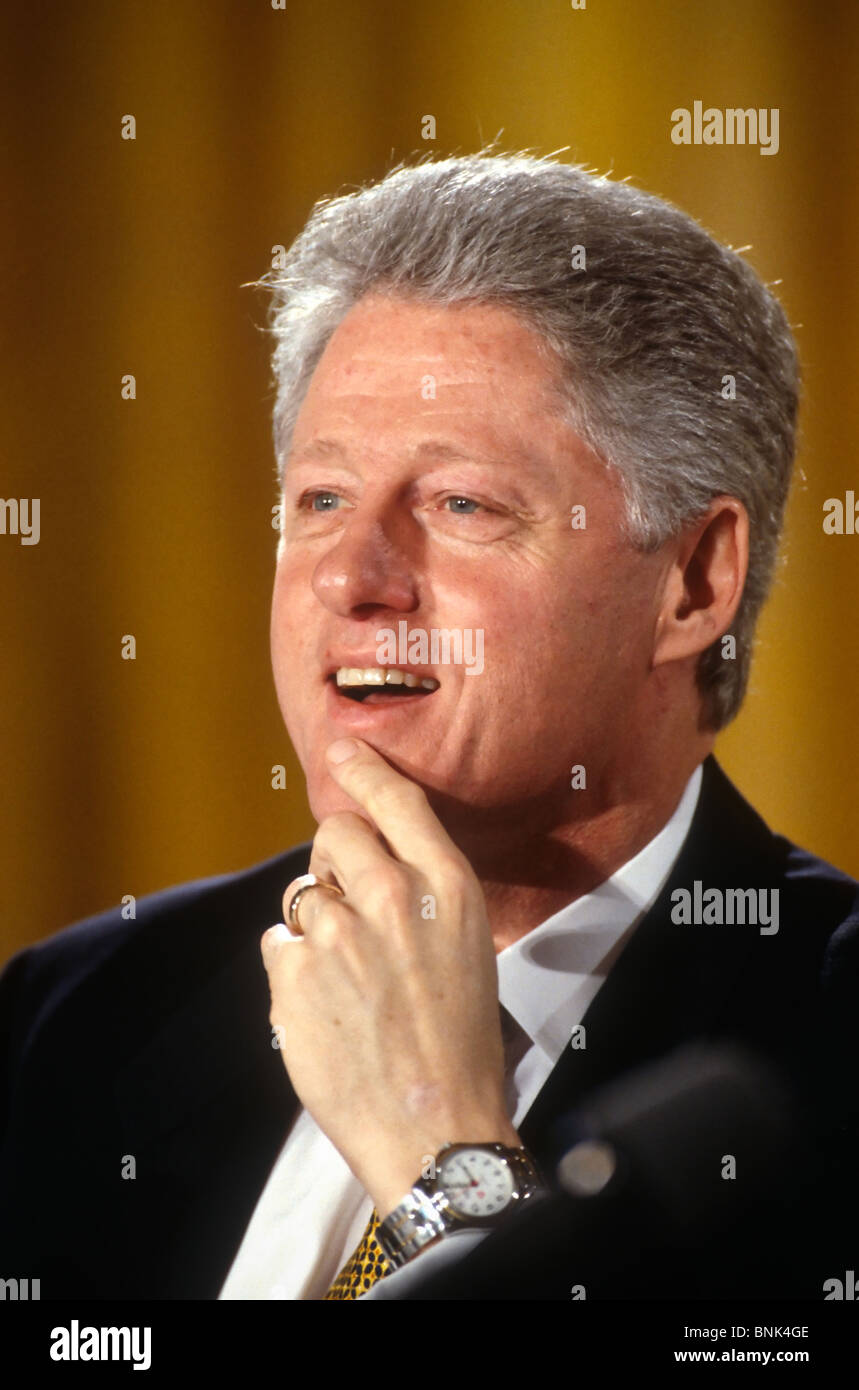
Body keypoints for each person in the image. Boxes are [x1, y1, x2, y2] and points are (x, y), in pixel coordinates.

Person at [1, 150, 856, 1302]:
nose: (352, 579)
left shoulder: (824, 1052)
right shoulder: (85, 1009)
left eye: (461, 504)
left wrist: (448, 1172)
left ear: (692, 583)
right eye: (320, 500)